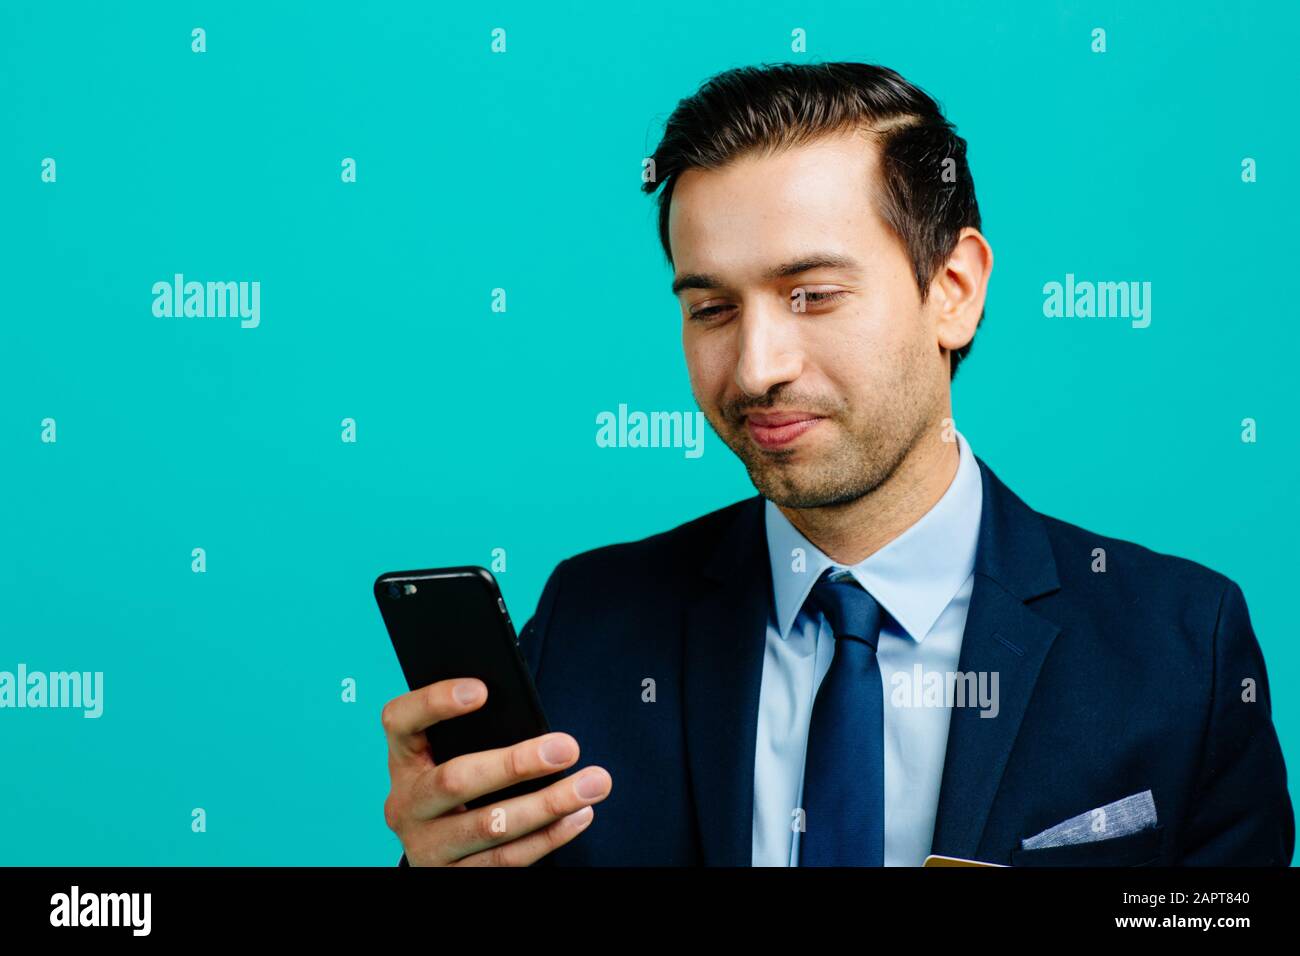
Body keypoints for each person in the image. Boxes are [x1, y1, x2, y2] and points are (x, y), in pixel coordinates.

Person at [381, 62, 1294, 867]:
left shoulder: (1182, 646)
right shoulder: (587, 629)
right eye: (711, 309)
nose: (756, 368)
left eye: (811, 295)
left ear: (955, 291)